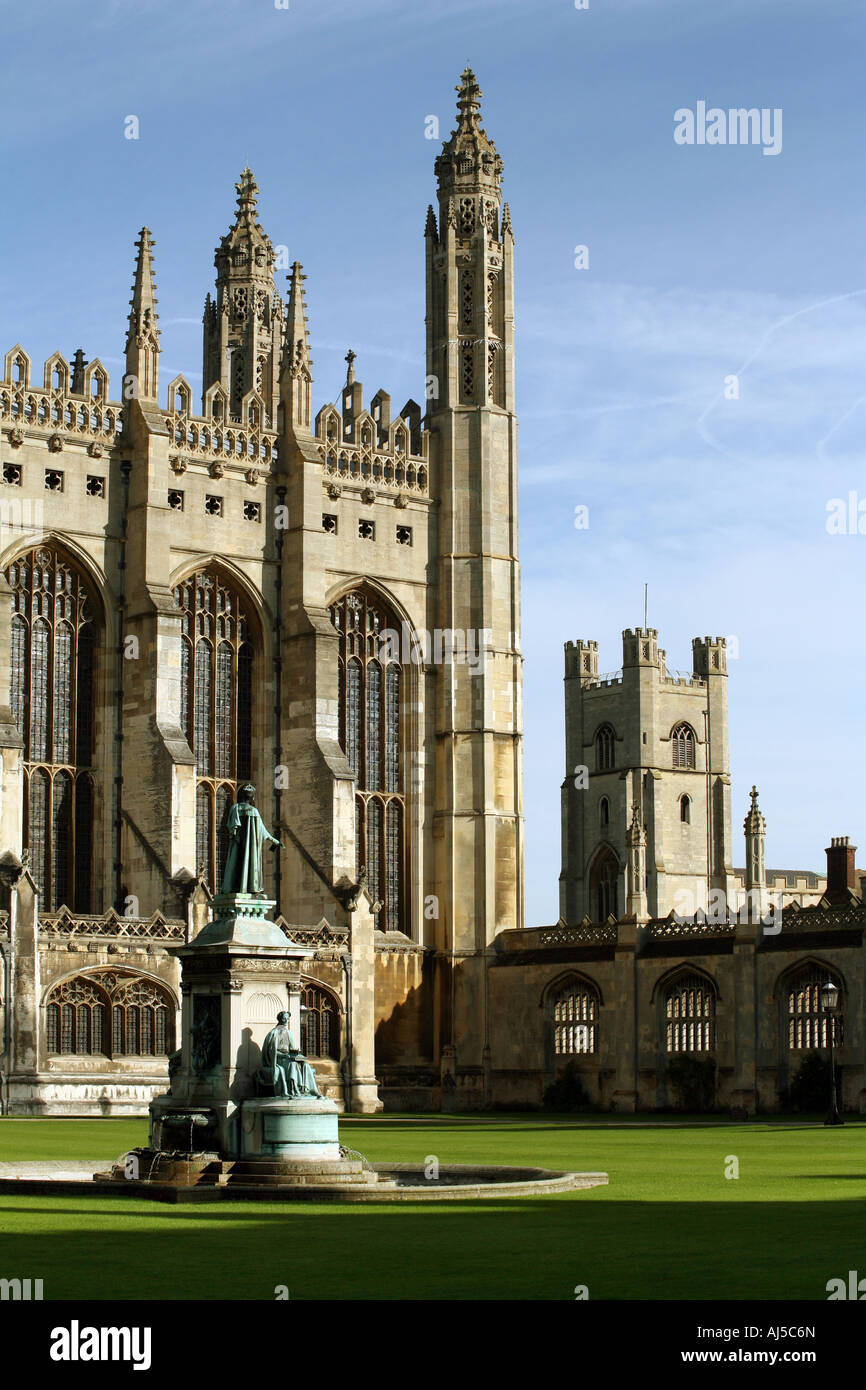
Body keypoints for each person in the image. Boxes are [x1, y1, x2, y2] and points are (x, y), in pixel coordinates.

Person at [219, 784, 281, 895]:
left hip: (237, 846)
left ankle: (233, 887)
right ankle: (250, 887)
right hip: (250, 848)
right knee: (249, 863)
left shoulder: (235, 809)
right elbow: (262, 831)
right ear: (252, 798)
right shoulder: (254, 811)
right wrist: (274, 841)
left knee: (235, 865)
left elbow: (231, 827)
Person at [257, 1012, 322, 1099]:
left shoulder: (289, 1033)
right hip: (278, 1060)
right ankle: (294, 1090)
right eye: (284, 1019)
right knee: (293, 1065)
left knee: (305, 1065)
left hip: (288, 1058)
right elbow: (271, 1052)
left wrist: (296, 1055)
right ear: (280, 1020)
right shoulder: (274, 1033)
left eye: (287, 1019)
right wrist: (285, 1056)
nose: (286, 1021)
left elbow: (292, 1049)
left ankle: (310, 1090)